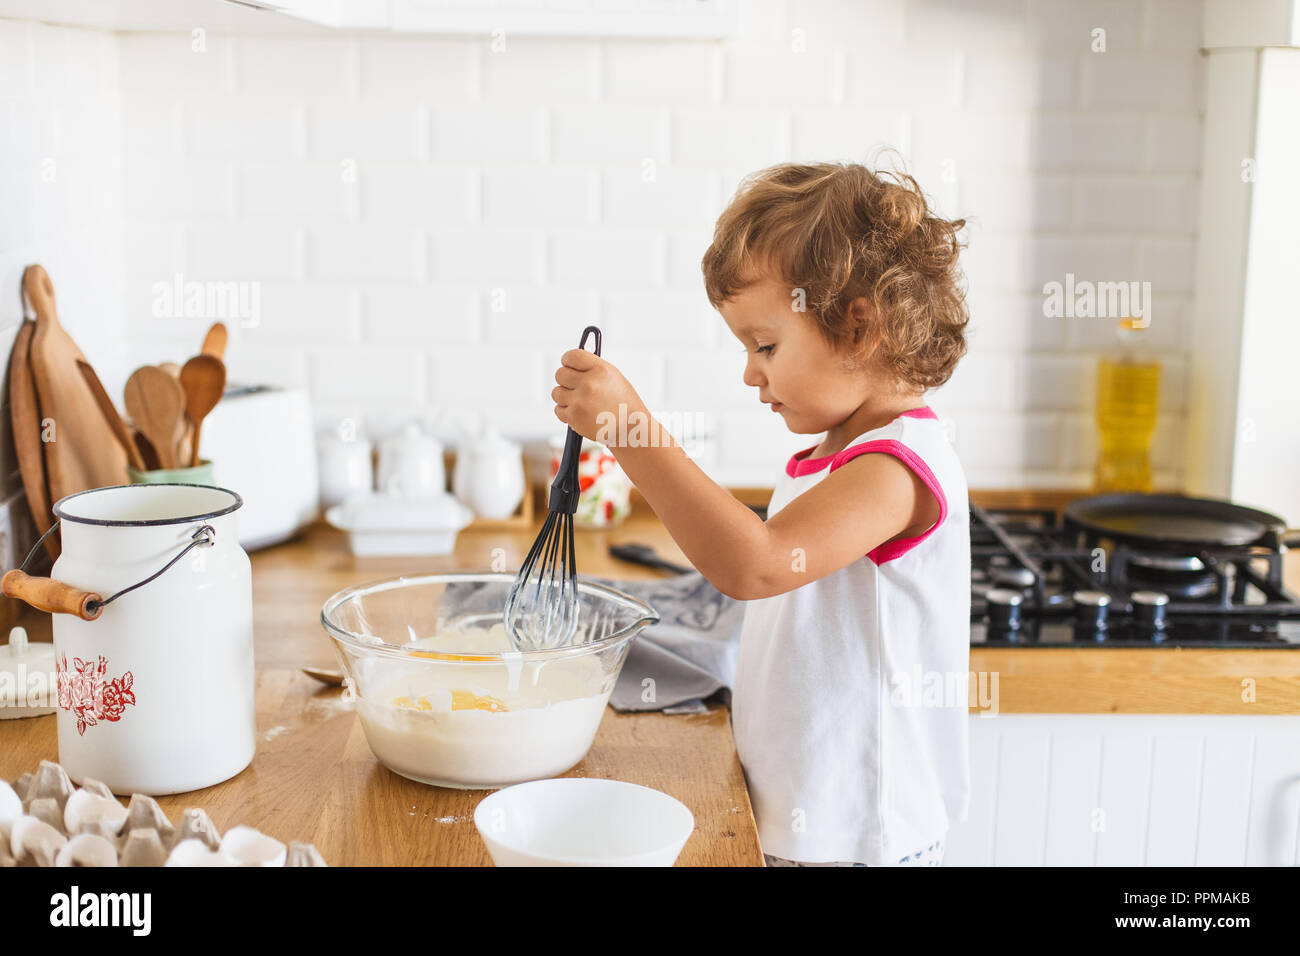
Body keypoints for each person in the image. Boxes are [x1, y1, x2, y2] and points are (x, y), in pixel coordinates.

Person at [550, 160, 971, 867]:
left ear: (859, 325)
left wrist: (631, 431)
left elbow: (756, 563)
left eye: (766, 345)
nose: (751, 372)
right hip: (807, 824)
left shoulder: (896, 466)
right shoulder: (836, 452)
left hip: (858, 836)